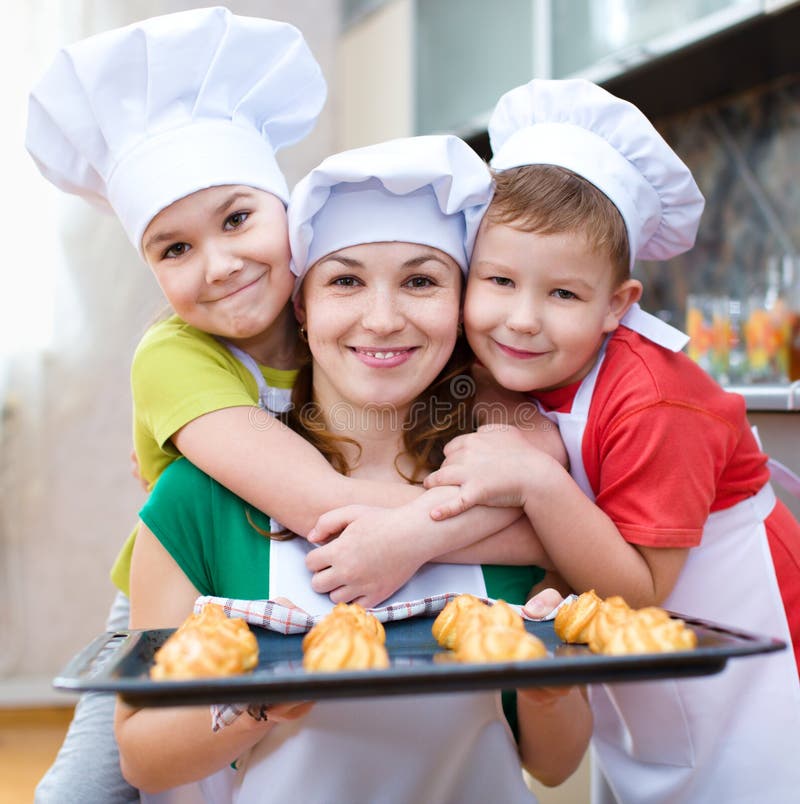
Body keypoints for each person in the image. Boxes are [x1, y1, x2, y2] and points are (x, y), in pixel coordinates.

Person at [114, 135, 592, 803]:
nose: (383, 318)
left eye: (422, 281)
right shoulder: (199, 499)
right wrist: (263, 701)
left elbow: (555, 763)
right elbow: (142, 756)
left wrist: (550, 690)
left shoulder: (503, 484)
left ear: (460, 309)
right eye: (345, 281)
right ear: (302, 308)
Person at [418, 78, 800, 803]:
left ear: (616, 307)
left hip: (761, 670)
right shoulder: (509, 371)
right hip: (654, 675)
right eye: (499, 280)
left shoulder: (655, 401)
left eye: (563, 294)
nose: (522, 319)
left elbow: (640, 590)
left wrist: (535, 481)